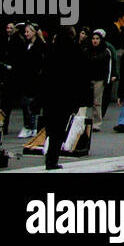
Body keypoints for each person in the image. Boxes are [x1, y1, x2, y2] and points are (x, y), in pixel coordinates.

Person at [39, 26, 89, 170]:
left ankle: (49, 156)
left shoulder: (51, 50)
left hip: (50, 96)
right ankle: (52, 159)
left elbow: (44, 74)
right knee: (60, 130)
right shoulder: (76, 51)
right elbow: (81, 77)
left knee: (51, 127)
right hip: (66, 97)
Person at [13, 22, 45, 138]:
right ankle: (28, 126)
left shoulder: (40, 45)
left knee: (32, 104)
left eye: (28, 31)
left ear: (34, 32)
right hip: (26, 78)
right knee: (25, 103)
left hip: (35, 79)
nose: (26, 34)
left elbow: (42, 62)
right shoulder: (26, 45)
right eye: (25, 32)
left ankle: (32, 127)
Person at [86, 30, 113, 125]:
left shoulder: (106, 51)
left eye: (97, 39)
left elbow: (109, 66)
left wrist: (107, 80)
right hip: (88, 78)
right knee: (84, 102)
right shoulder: (87, 50)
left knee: (97, 102)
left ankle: (96, 123)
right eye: (93, 39)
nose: (95, 41)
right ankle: (81, 121)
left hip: (99, 79)